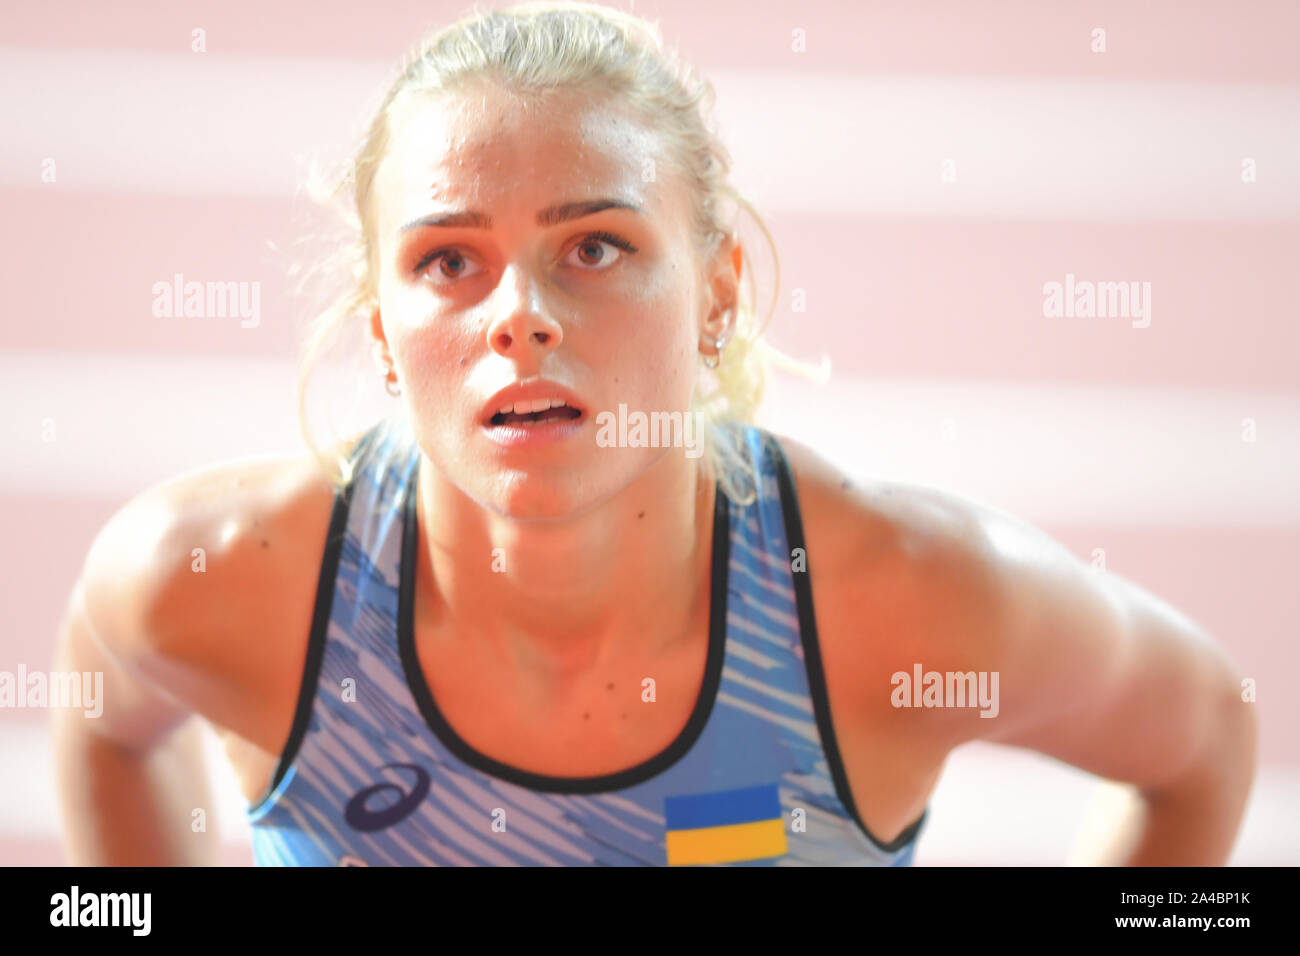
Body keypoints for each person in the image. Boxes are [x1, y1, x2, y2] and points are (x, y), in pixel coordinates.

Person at [52, 1, 1256, 866]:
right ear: (381, 332)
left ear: (718, 291)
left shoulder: (895, 605)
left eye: (594, 246)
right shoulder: (211, 586)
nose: (517, 316)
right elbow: (105, 735)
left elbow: (1203, 736)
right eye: (448, 262)